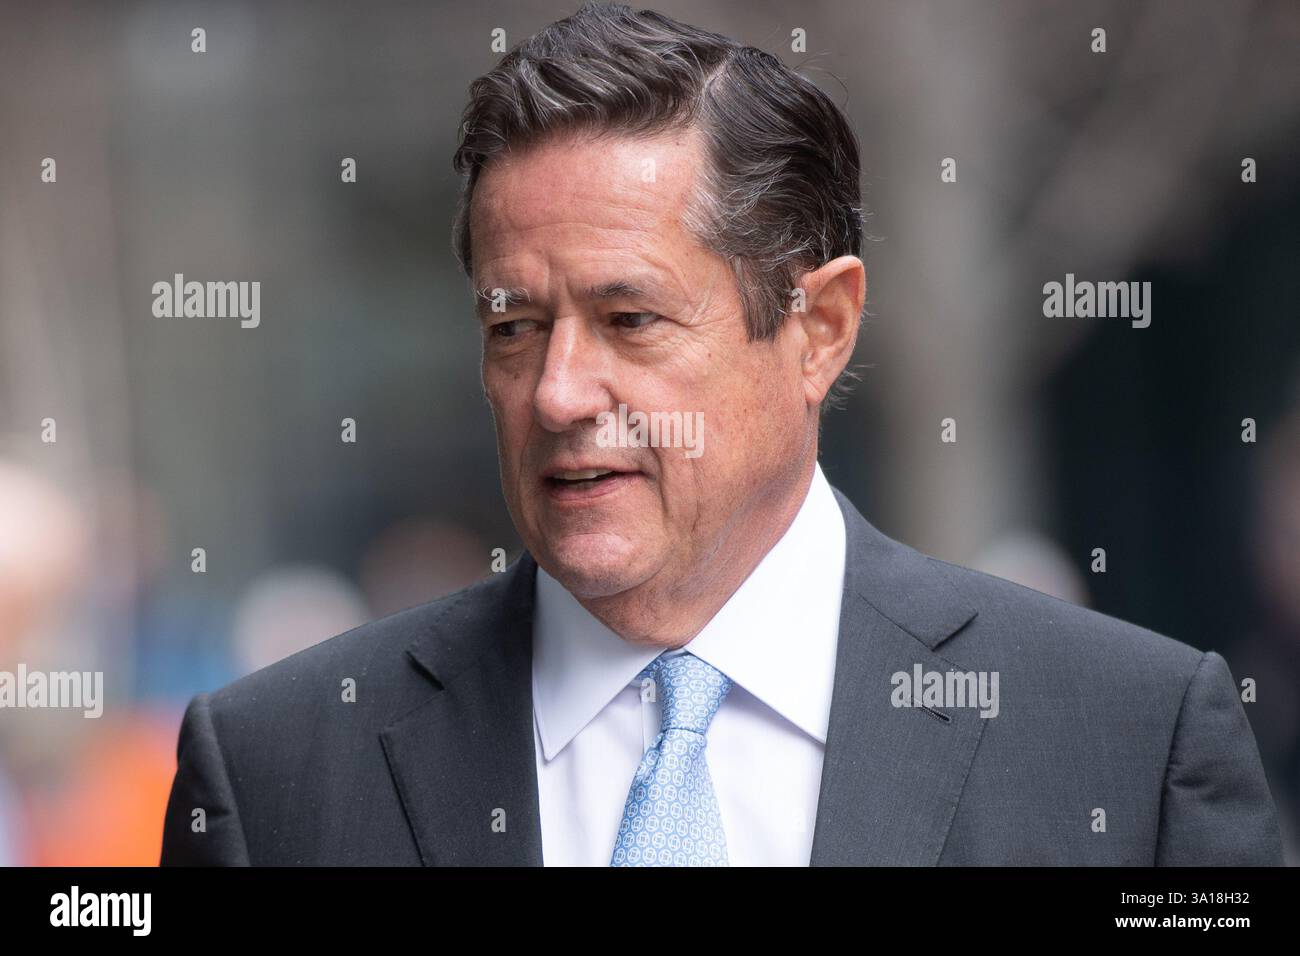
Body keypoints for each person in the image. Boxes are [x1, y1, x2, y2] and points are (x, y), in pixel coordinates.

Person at [161, 2, 1282, 866]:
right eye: (515, 325)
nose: (556, 392)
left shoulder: (1128, 745)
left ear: (819, 330)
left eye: (628, 319)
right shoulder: (279, 769)